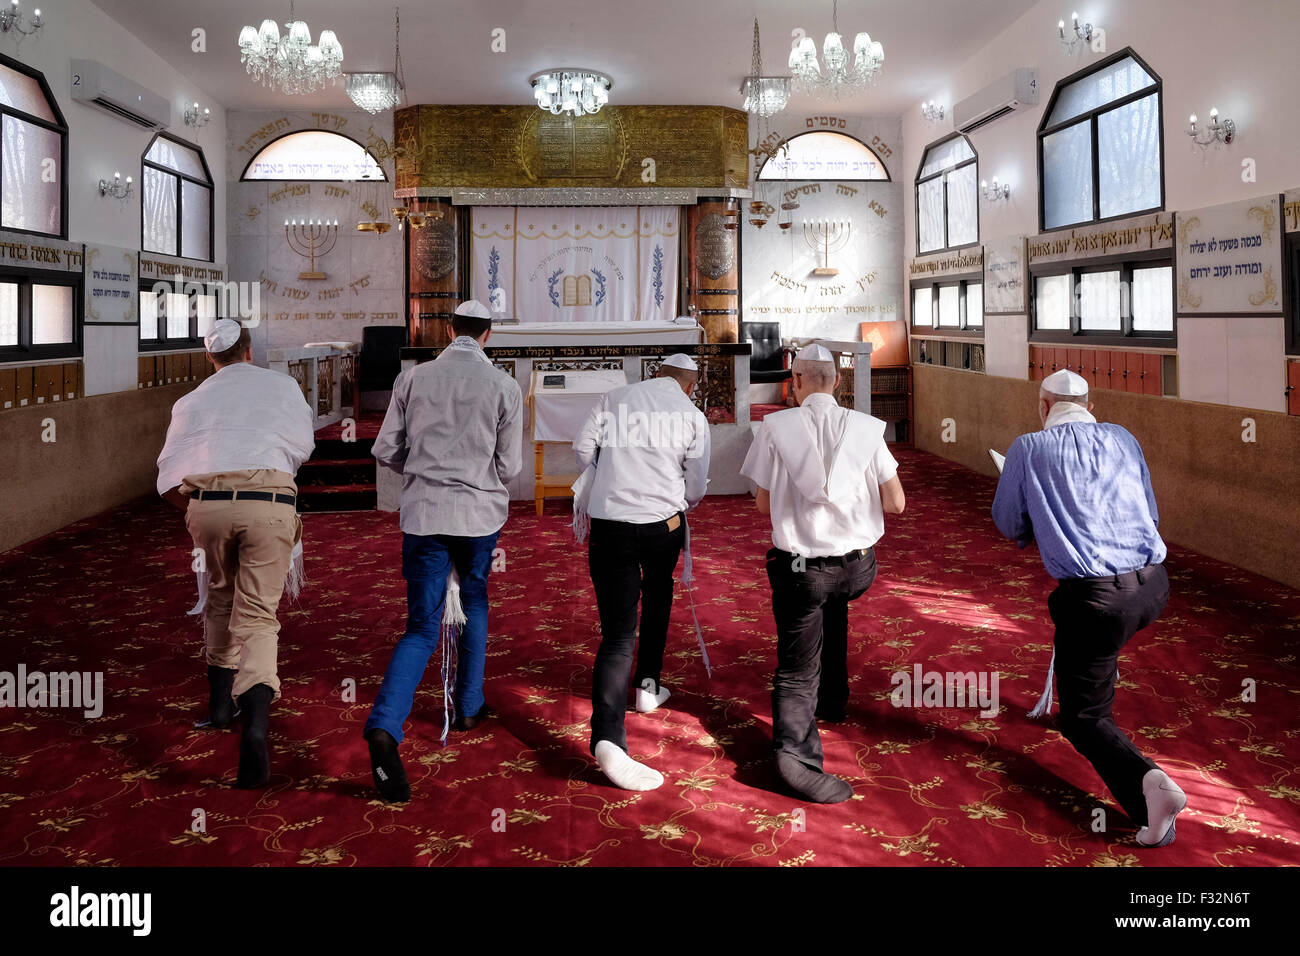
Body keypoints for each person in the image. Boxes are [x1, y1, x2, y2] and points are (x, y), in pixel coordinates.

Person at [992, 368, 1184, 847]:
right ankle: (1102, 684)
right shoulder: (1122, 436)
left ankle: (1152, 789)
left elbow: (1010, 524)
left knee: (1081, 718)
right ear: (1091, 407)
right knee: (1097, 653)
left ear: (1043, 406)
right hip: (1154, 586)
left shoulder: (1027, 448)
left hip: (1098, 601)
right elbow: (1149, 512)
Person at [363, 300, 523, 803]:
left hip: (425, 514)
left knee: (421, 626)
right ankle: (470, 705)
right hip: (477, 517)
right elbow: (511, 465)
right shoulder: (503, 385)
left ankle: (386, 725)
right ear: (488, 335)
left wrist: (424, 472)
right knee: (474, 599)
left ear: (450, 329)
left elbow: (385, 449)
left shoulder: (413, 379)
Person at [740, 344, 905, 804]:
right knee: (834, 604)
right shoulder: (868, 429)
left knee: (795, 665)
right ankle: (834, 699)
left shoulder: (774, 428)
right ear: (838, 382)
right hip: (856, 568)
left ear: (794, 383)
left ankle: (796, 757)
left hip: (799, 570)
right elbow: (896, 503)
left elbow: (760, 504)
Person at [156, 318, 315, 789]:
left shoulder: (191, 400)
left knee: (220, 600)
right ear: (249, 349)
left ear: (211, 357)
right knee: (259, 617)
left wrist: (202, 510)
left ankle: (220, 707)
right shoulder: (282, 386)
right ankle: (258, 726)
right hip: (269, 504)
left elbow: (167, 480)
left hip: (207, 508)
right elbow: (301, 449)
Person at [572, 353, 711, 791]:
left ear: (657, 374)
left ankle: (610, 736)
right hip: (662, 526)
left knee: (617, 634)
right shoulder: (691, 415)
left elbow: (580, 448)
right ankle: (648, 687)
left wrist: (608, 476)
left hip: (610, 526)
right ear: (690, 385)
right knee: (659, 595)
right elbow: (696, 483)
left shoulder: (615, 397)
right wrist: (670, 498)